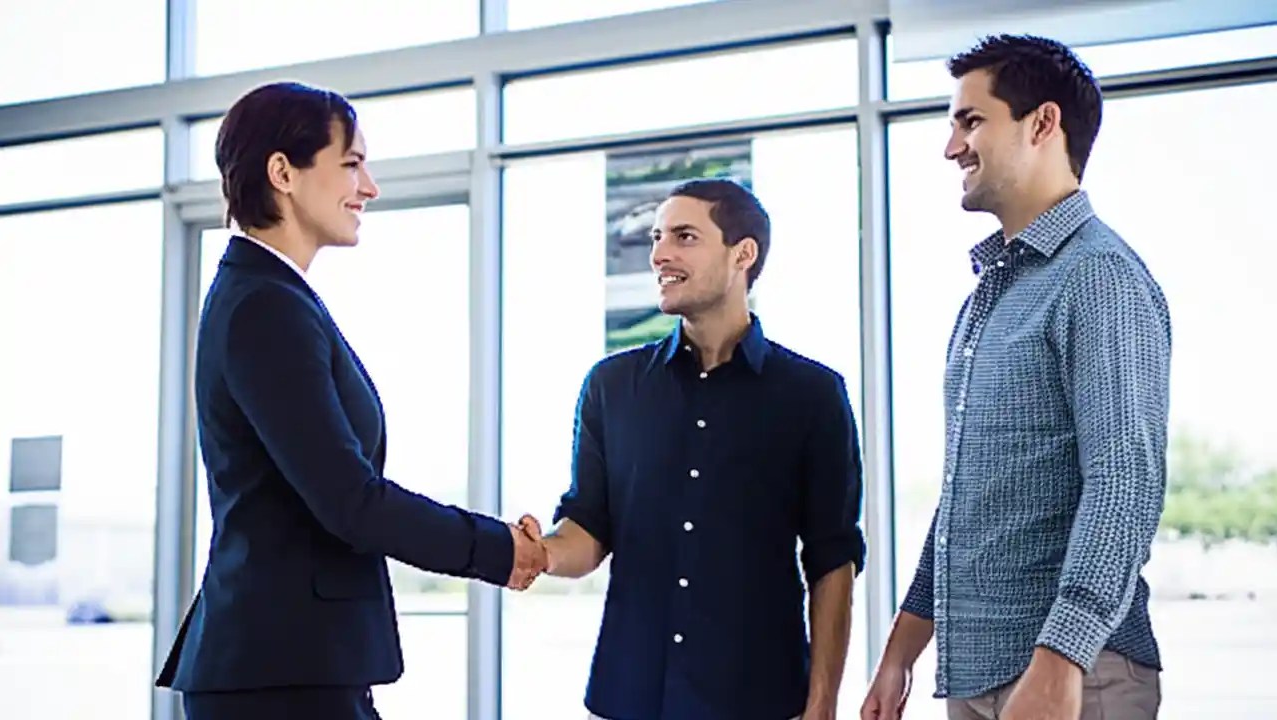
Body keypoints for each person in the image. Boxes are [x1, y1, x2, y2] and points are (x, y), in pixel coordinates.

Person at [154, 81, 547, 719]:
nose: (369, 188)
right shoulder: (264, 307)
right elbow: (351, 502)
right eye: (352, 164)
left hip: (291, 664)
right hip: (277, 673)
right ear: (282, 172)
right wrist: (498, 549)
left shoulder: (271, 297)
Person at [860, 34, 1170, 720]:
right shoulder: (986, 300)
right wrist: (899, 654)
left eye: (971, 121)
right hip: (977, 676)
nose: (951, 147)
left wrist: (1062, 660)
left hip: (1072, 676)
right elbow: (966, 500)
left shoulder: (1098, 278)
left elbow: (1125, 484)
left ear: (1042, 124)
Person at [517, 178, 867, 720]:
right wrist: (539, 553)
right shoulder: (611, 386)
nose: (660, 254)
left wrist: (821, 706)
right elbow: (589, 529)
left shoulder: (813, 395)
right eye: (657, 237)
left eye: (684, 236)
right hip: (628, 698)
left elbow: (832, 560)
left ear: (742, 254)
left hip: (760, 700)